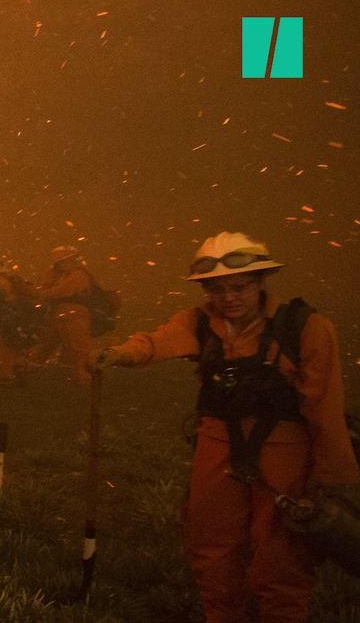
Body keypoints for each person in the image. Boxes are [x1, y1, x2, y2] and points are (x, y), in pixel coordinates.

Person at [90, 232, 359, 623]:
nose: (227, 297)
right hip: (217, 444)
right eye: (216, 290)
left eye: (238, 287)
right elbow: (157, 341)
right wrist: (115, 353)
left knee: (281, 555)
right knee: (211, 546)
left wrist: (330, 475)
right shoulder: (200, 323)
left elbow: (324, 405)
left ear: (261, 282)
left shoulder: (305, 327)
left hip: (287, 450)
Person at [31, 245, 94, 385]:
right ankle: (64, 376)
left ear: (72, 260)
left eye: (63, 261)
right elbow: (49, 287)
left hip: (76, 317)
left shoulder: (79, 275)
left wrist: (38, 293)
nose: (60, 265)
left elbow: (59, 291)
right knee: (50, 344)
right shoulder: (65, 275)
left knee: (79, 349)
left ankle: (84, 378)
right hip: (62, 316)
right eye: (59, 263)